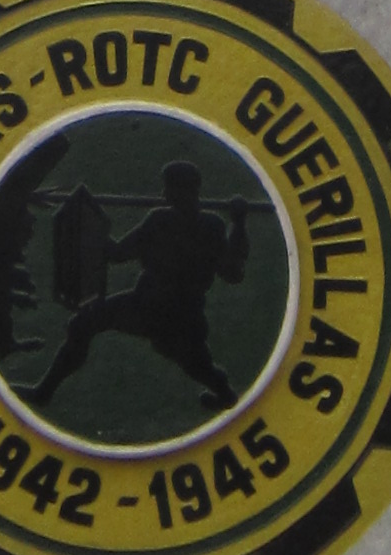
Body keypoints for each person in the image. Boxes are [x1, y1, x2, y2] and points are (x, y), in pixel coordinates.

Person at [32, 157, 253, 412]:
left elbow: (233, 273)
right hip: (144, 304)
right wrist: (88, 225)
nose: (163, 194)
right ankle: (44, 392)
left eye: (169, 188)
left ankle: (225, 393)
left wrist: (238, 224)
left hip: (181, 315)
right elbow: (118, 253)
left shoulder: (209, 226)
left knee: (196, 365)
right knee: (82, 324)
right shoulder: (159, 219)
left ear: (186, 189)